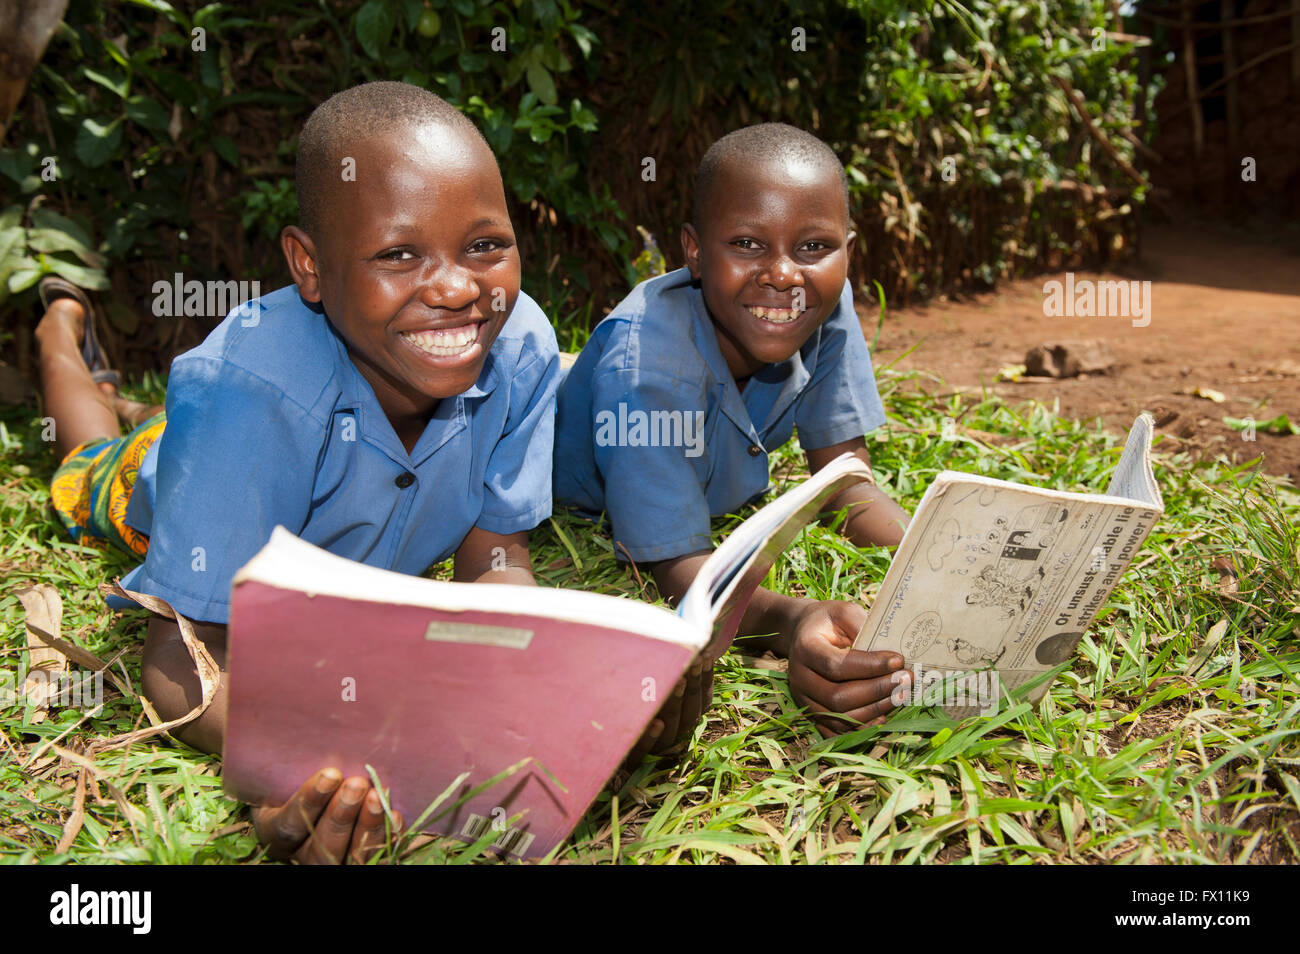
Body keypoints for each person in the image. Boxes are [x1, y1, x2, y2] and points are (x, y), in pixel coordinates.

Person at [35, 81, 560, 864]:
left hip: (250, 432)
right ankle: (59, 331)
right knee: (89, 460)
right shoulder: (244, 396)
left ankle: (138, 402)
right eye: (398, 254)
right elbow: (182, 653)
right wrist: (289, 769)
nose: (458, 289)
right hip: (183, 466)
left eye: (484, 245)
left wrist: (519, 645)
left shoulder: (519, 349)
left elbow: (495, 551)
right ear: (308, 267)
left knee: (183, 420)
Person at [554, 123, 914, 745]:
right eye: (747, 243)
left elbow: (843, 472)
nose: (782, 274)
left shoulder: (821, 302)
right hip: (597, 486)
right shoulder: (646, 373)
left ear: (846, 251)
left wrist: (925, 560)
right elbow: (673, 564)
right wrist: (797, 619)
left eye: (814, 246)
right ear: (693, 250)